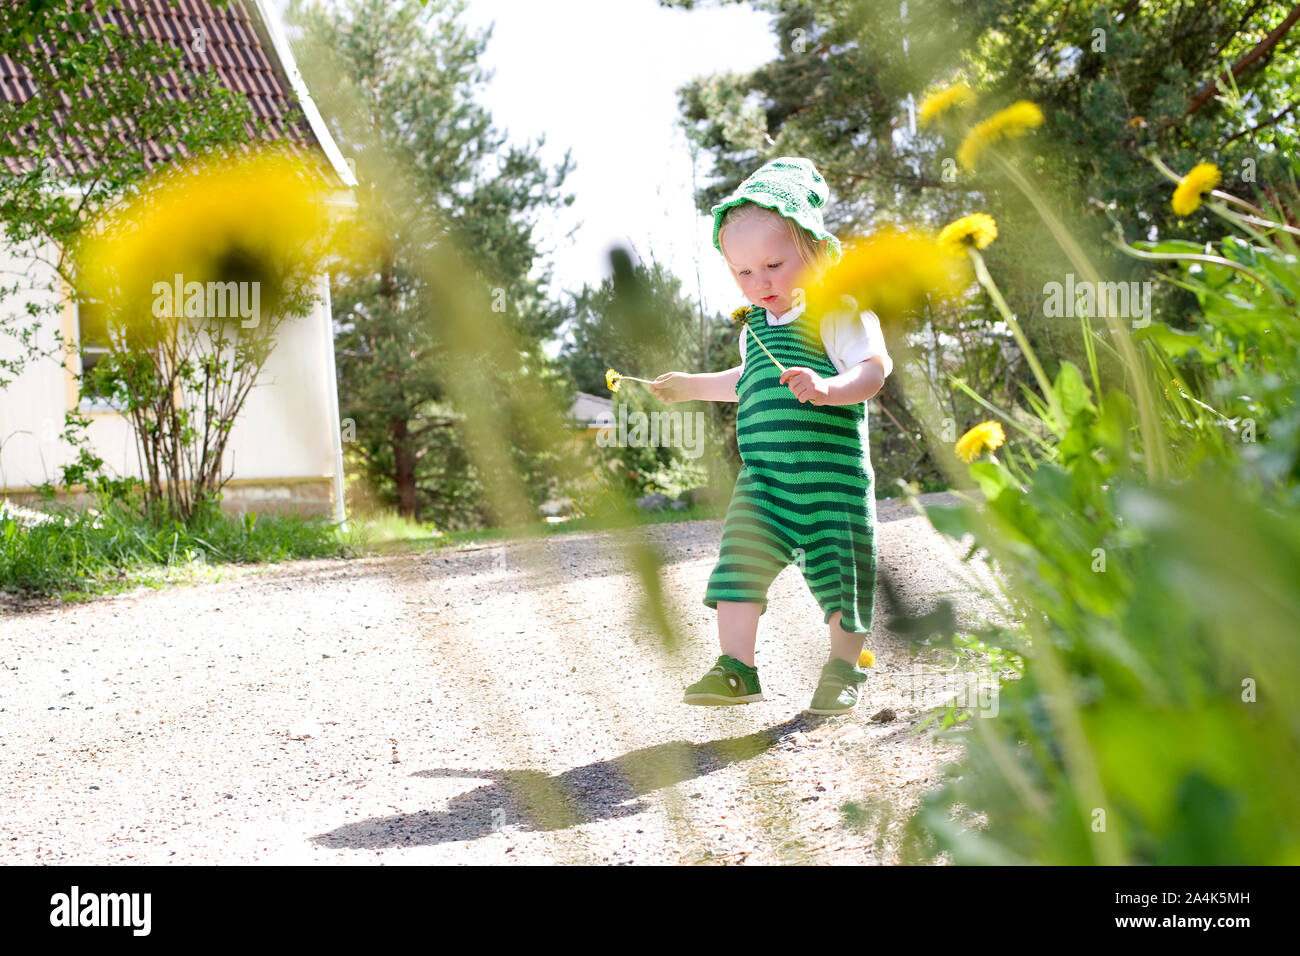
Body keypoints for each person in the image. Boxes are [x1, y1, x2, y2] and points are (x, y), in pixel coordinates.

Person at [649, 157, 891, 715]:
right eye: (744, 273)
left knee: (842, 579)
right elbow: (746, 381)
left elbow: (873, 371)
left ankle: (843, 668)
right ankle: (737, 668)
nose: (760, 283)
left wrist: (829, 387)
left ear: (815, 251)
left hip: (831, 483)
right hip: (766, 483)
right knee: (739, 563)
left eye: (774, 265)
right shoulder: (754, 328)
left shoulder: (838, 312)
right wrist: (690, 387)